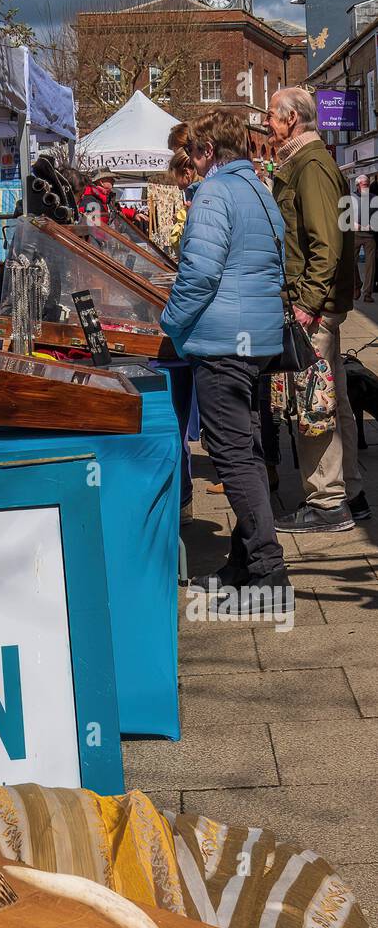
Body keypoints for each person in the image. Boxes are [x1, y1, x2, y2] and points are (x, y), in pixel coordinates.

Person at [160, 109, 291, 615]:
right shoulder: (259, 188)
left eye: (194, 151)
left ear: (209, 152)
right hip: (256, 340)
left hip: (221, 344)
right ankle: (243, 561)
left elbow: (199, 274)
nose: (190, 161)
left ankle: (268, 571)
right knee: (249, 452)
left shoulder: (214, 193)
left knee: (234, 457)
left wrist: (171, 323)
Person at [267, 87, 369, 530]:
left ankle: (327, 503)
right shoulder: (305, 163)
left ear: (291, 119)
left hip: (314, 309)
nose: (267, 125)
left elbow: (325, 245)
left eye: (272, 115)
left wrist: (307, 304)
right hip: (320, 305)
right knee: (334, 399)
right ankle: (352, 491)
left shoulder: (311, 166)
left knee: (315, 403)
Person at [352, 173, 376, 303]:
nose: (366, 188)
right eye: (364, 185)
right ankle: (357, 285)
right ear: (357, 186)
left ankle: (367, 293)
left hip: (370, 236)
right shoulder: (351, 197)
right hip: (355, 235)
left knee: (370, 265)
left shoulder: (374, 198)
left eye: (368, 185)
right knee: (351, 262)